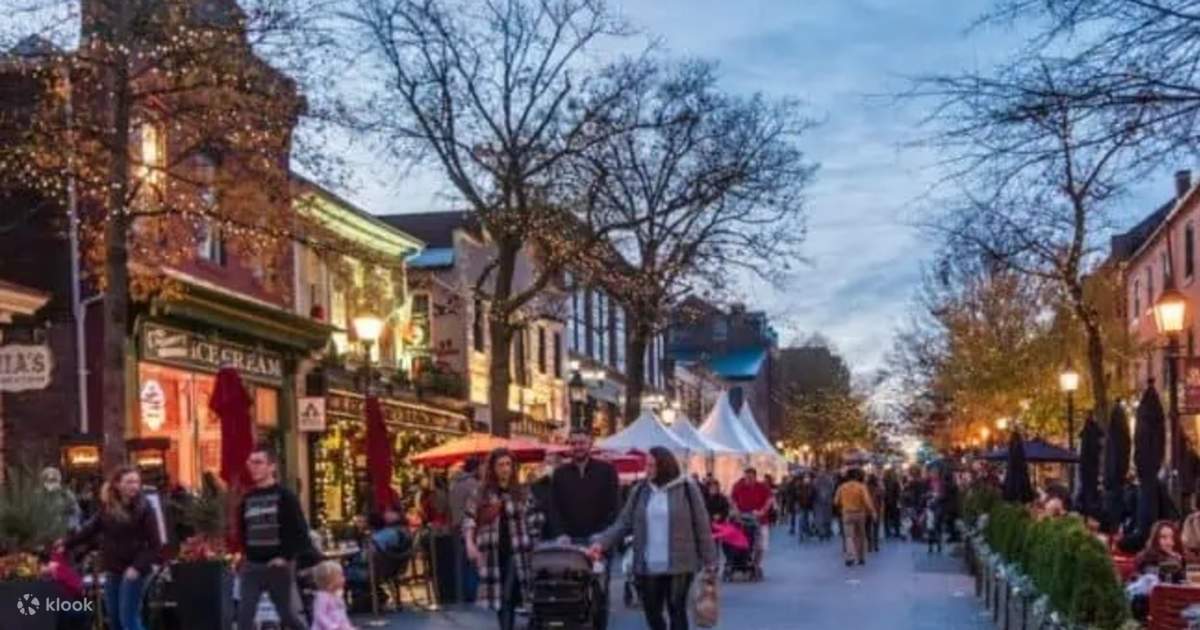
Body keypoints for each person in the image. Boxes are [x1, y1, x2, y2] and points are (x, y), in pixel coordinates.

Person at [591, 447, 718, 630]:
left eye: (651, 465)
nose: (647, 469)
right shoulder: (640, 490)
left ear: (664, 466)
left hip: (679, 563)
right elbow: (623, 522)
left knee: (677, 609)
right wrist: (601, 543)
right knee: (652, 611)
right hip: (648, 564)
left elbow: (702, 526)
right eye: (646, 465)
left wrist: (710, 561)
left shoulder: (687, 489)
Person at [61, 466, 162, 630]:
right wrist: (65, 543)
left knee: (128, 619)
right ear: (117, 484)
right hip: (113, 569)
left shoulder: (145, 509)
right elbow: (89, 530)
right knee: (114, 620)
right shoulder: (107, 509)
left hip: (135, 571)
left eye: (136, 482)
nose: (134, 486)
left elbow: (155, 544)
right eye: (129, 482)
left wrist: (136, 567)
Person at [236, 444, 314, 630]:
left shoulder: (285, 497)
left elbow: (301, 533)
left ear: (272, 467)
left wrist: (285, 558)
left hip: (277, 566)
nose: (253, 467)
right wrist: (244, 555)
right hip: (252, 566)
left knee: (287, 616)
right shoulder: (247, 499)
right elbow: (243, 530)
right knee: (244, 618)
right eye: (251, 462)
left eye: (258, 462)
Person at [464, 448, 542, 630]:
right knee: (503, 598)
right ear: (493, 468)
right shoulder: (481, 493)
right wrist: (470, 544)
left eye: (508, 464)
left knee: (507, 595)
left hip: (519, 551)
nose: (505, 469)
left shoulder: (522, 492)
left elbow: (535, 520)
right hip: (493, 553)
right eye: (500, 465)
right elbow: (469, 519)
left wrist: (536, 545)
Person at [551, 426, 619, 630]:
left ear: (590, 444)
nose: (578, 447)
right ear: (569, 446)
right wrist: (560, 533)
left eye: (582, 442)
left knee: (599, 594)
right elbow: (554, 508)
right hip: (570, 542)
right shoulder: (560, 473)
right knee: (570, 592)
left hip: (599, 541)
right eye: (574, 443)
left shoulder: (606, 471)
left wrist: (603, 535)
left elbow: (615, 506)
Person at [449, 457, 482, 603]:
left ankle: (461, 594)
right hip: (469, 526)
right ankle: (473, 594)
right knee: (472, 563)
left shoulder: (454, 484)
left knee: (460, 563)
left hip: (455, 525)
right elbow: (477, 506)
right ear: (475, 469)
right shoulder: (473, 485)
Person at [833, 468, 876, 567]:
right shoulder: (861, 487)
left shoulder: (842, 487)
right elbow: (867, 501)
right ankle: (861, 558)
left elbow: (836, 501)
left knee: (849, 537)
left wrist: (843, 505)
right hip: (860, 513)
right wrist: (872, 512)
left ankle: (850, 557)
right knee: (860, 536)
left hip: (847, 513)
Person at [730, 467, 774, 561]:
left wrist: (763, 511)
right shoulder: (738, 486)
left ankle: (756, 564)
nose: (748, 480)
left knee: (761, 545)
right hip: (743, 520)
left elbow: (770, 499)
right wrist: (735, 510)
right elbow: (732, 499)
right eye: (746, 478)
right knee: (743, 544)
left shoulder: (762, 486)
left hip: (760, 520)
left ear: (755, 477)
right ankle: (744, 562)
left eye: (750, 478)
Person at [311, 560, 356, 630]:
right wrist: (332, 626)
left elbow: (342, 615)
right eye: (340, 576)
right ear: (330, 581)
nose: (343, 578)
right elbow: (319, 615)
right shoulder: (322, 597)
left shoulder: (337, 596)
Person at [41, 466, 82, 532]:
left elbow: (76, 511)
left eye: (53, 480)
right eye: (48, 480)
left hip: (67, 530)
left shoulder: (66, 494)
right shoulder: (41, 495)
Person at [813, 471, 835, 541]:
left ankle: (821, 533)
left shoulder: (815, 481)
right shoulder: (829, 480)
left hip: (818, 502)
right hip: (827, 502)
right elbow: (832, 489)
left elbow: (813, 491)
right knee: (827, 518)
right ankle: (827, 532)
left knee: (820, 518)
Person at [865, 474, 883, 553]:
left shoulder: (865, 488)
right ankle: (876, 545)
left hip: (867, 510)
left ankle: (869, 545)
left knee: (867, 528)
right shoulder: (878, 489)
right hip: (876, 510)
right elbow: (881, 500)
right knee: (876, 528)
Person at [883, 470, 902, 539]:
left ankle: (887, 532)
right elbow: (899, 492)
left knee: (886, 518)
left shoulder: (884, 481)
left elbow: (883, 492)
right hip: (894, 502)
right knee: (896, 517)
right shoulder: (896, 482)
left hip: (886, 502)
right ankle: (897, 532)